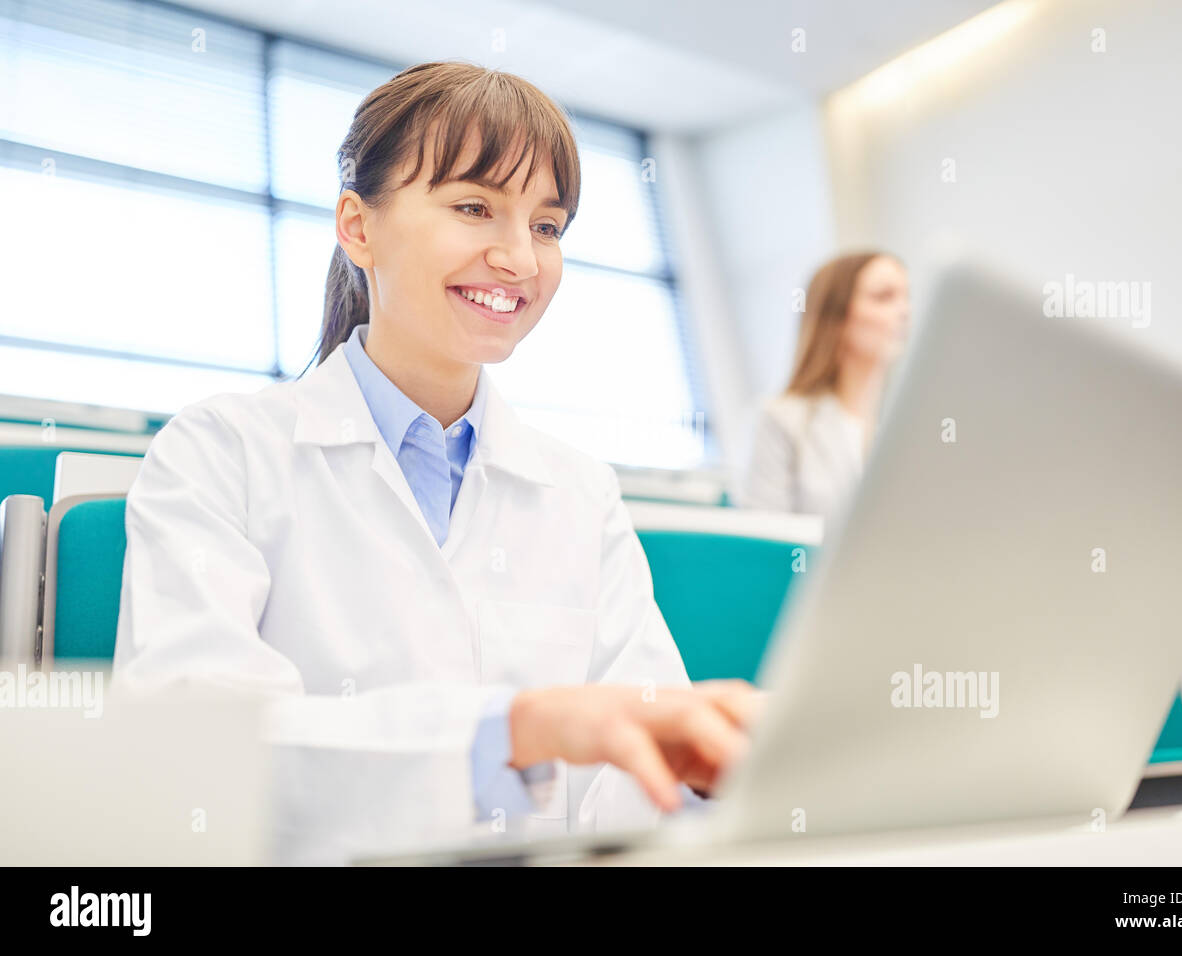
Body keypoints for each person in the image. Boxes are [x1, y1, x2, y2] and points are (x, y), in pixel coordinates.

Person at [112, 61, 759, 864]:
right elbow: (198, 750)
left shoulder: (579, 492)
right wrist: (509, 734)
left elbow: (633, 754)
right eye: (474, 208)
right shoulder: (220, 453)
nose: (520, 259)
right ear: (358, 226)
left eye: (548, 226)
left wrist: (711, 773)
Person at [742, 252, 910, 517]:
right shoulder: (780, 420)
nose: (904, 311)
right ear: (837, 316)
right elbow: (762, 543)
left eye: (906, 298)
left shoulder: (908, 425)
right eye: (884, 297)